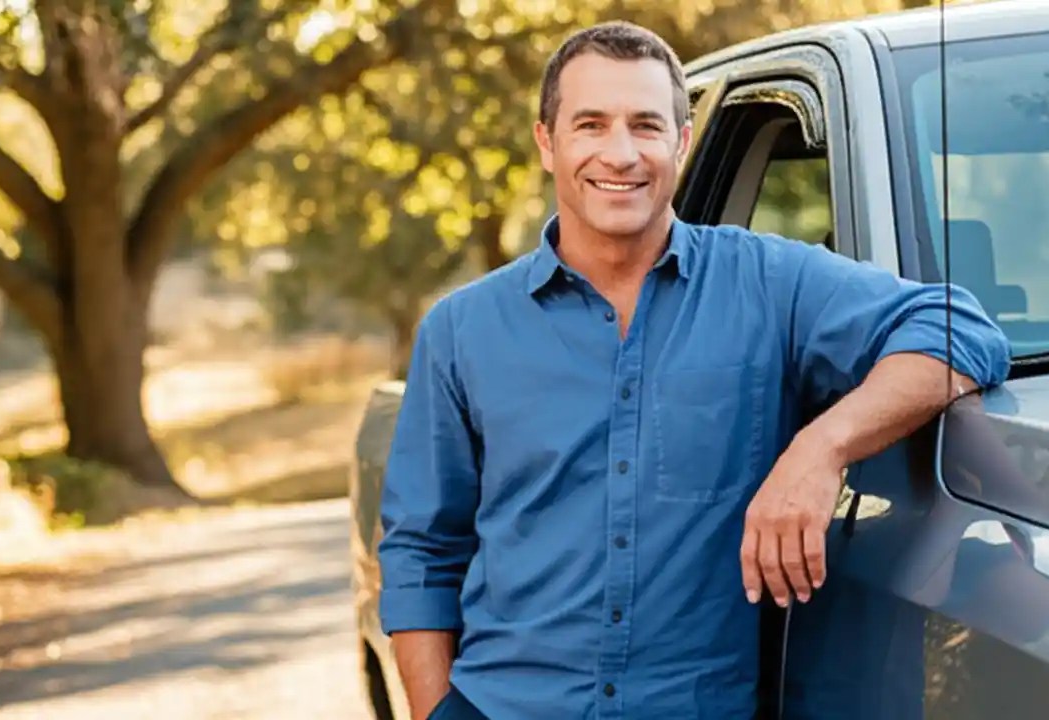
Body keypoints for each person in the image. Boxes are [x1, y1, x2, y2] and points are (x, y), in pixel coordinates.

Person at [376, 20, 1011, 720]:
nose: (620, 154)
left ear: (679, 142)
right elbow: (421, 553)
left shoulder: (770, 284)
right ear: (546, 143)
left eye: (646, 126)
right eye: (591, 125)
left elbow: (959, 331)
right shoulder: (461, 331)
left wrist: (822, 446)